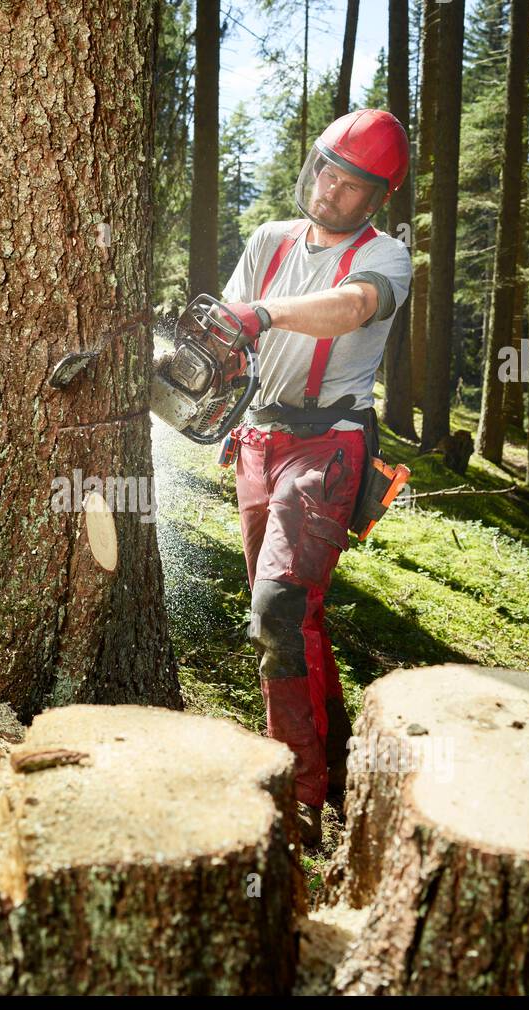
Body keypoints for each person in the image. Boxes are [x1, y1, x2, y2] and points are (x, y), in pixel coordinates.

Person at [219, 108, 412, 845]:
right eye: (328, 171)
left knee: (275, 608)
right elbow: (235, 331)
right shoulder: (269, 239)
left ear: (375, 200)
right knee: (295, 616)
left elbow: (349, 308)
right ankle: (338, 770)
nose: (333, 191)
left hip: (328, 447)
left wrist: (261, 315)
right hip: (258, 440)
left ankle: (296, 799)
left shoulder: (385, 257)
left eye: (354, 185)